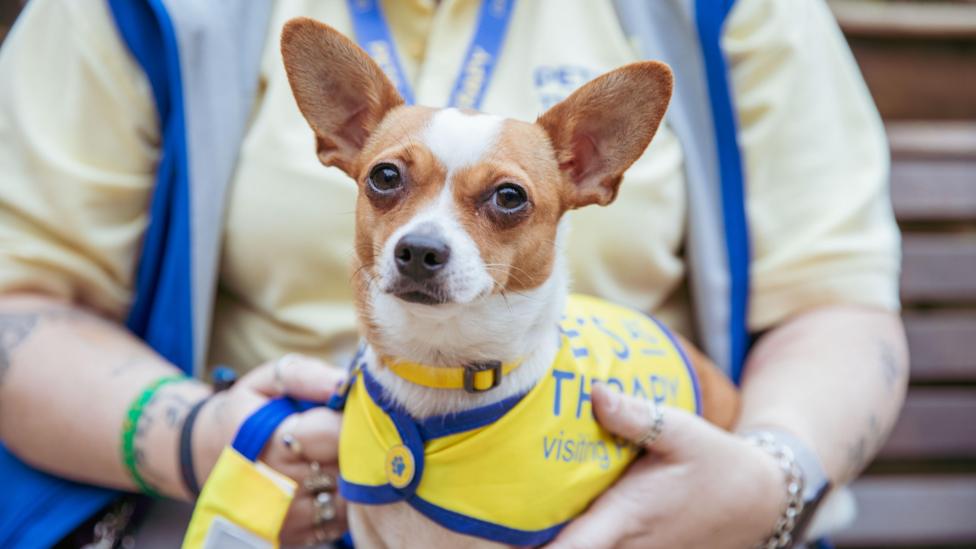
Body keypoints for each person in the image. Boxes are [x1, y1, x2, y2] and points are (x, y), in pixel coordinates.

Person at [0, 0, 907, 547]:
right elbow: (18, 296)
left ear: (591, 172)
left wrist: (765, 483)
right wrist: (205, 437)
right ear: (346, 144)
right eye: (389, 182)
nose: (427, 236)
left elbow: (839, 298)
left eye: (502, 201)